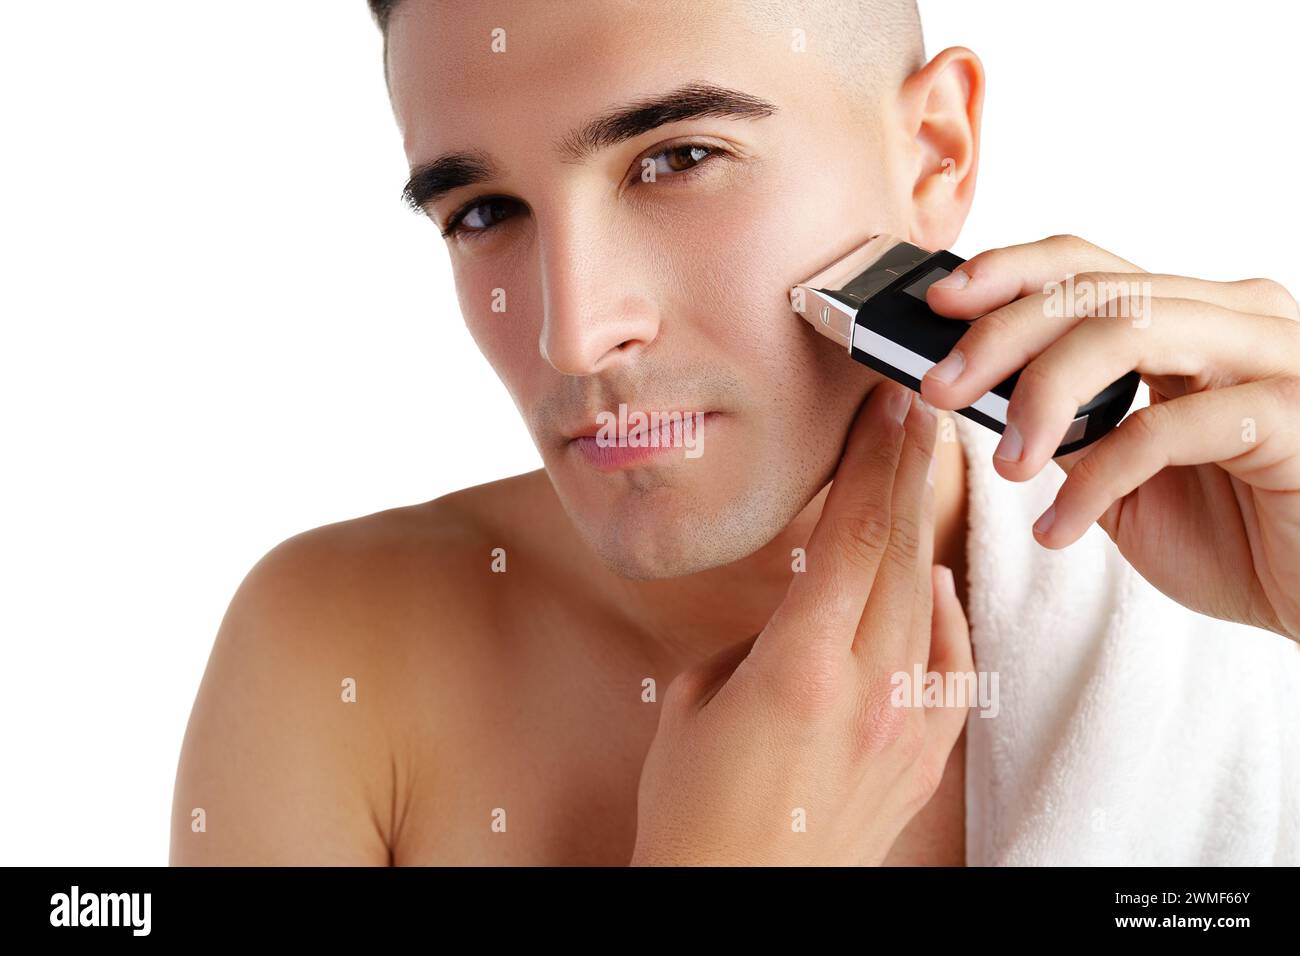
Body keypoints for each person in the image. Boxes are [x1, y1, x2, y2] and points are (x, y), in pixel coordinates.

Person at [170, 0, 1300, 866]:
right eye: (484, 212)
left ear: (934, 153)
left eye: (677, 158)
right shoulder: (339, 656)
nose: (575, 334)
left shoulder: (1231, 580)